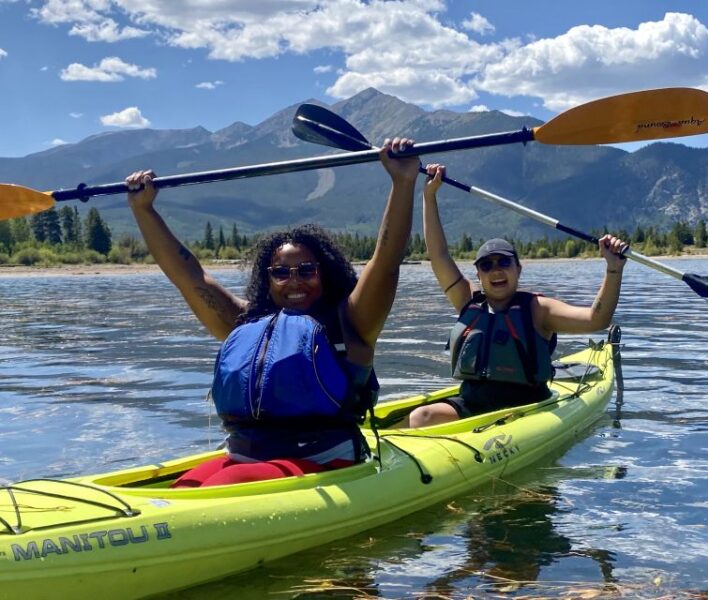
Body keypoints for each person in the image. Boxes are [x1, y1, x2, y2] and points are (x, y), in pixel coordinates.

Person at [126, 137, 420, 487]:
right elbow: (189, 277)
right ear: (267, 279)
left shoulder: (352, 322)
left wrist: (403, 181)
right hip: (246, 455)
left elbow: (385, 261)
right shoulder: (245, 323)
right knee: (183, 486)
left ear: (324, 273)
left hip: (325, 459)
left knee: (221, 484)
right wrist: (144, 210)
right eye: (281, 272)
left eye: (306, 270)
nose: (293, 281)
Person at [406, 164, 628, 428]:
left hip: (528, 410)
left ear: (518, 269)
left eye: (504, 263)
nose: (496, 270)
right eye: (487, 265)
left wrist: (613, 269)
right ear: (478, 275)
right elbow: (439, 254)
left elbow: (596, 319)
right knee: (421, 417)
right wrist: (429, 196)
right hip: (473, 405)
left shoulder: (537, 309)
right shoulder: (467, 300)